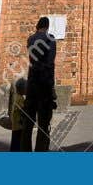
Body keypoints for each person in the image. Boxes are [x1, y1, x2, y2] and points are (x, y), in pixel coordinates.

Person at [26, 16, 58, 151]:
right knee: (44, 123)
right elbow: (50, 62)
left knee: (28, 122)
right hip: (44, 83)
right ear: (47, 26)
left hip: (32, 81)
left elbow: (32, 59)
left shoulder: (30, 39)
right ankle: (41, 150)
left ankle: (24, 149)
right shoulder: (50, 39)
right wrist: (51, 86)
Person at [7, 76, 32, 152]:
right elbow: (21, 110)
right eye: (26, 88)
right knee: (17, 142)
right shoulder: (19, 98)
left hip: (17, 124)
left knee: (16, 141)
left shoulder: (19, 97)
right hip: (18, 125)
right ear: (22, 89)